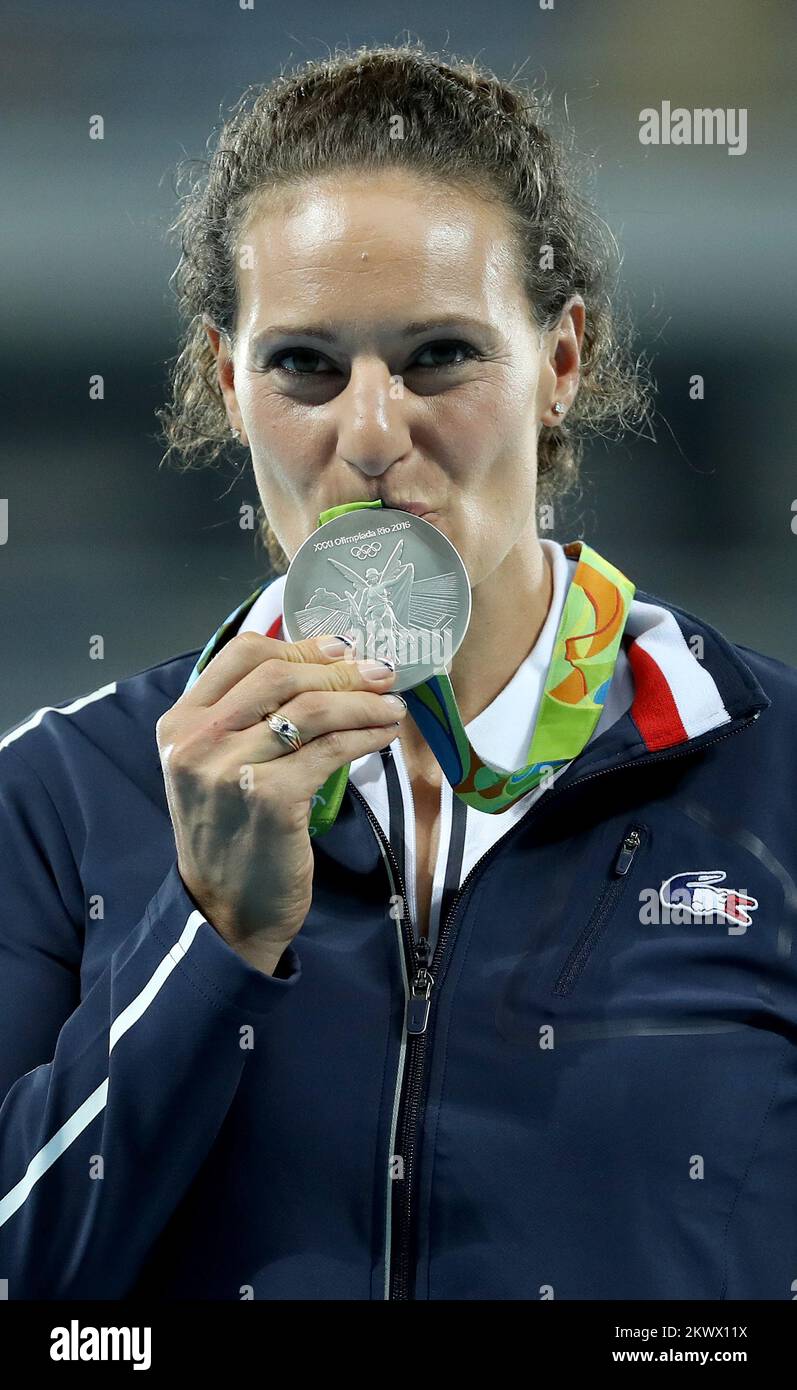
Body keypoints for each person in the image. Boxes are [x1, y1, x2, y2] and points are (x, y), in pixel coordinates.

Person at [1, 42, 795, 1303]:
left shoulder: (772, 772)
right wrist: (207, 939)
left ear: (561, 363)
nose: (370, 435)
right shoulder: (53, 795)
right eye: (303, 365)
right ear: (225, 377)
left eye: (438, 356)